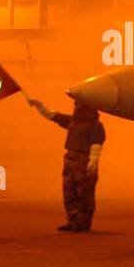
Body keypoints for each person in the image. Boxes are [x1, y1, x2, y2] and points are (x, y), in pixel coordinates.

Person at [28, 97, 105, 232]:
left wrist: (93, 160)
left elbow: (97, 144)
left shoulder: (96, 125)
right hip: (70, 159)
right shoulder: (73, 121)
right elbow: (52, 115)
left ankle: (83, 223)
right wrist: (40, 106)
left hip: (83, 160)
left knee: (85, 192)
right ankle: (73, 220)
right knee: (69, 191)